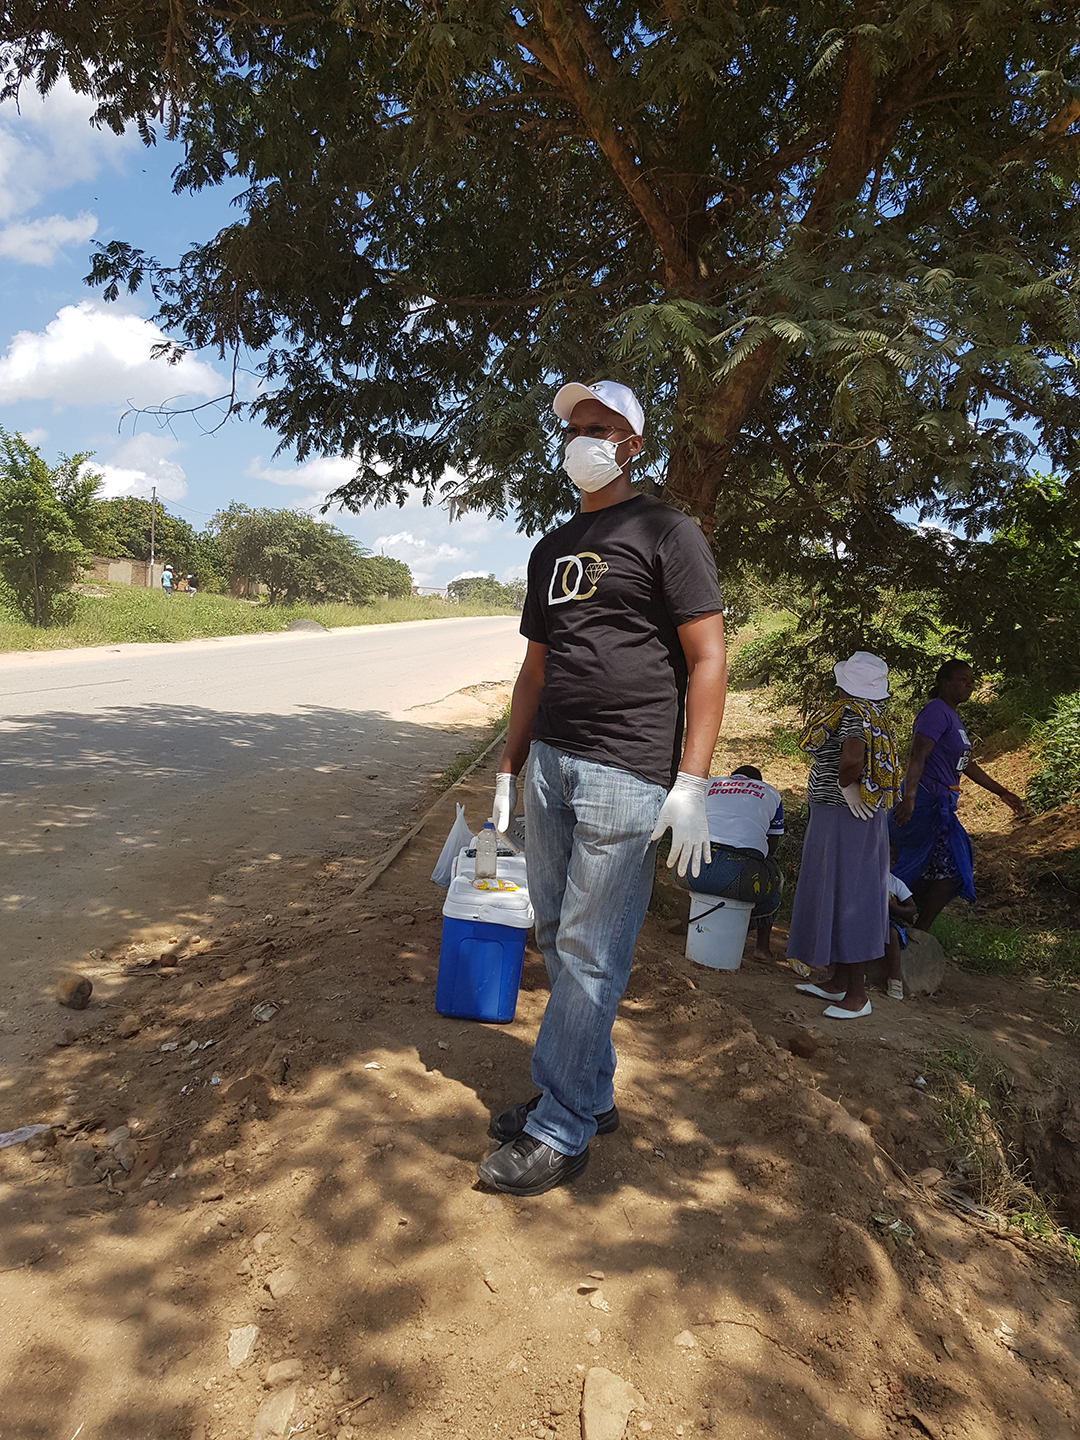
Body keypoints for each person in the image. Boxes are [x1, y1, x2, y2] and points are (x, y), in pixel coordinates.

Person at [481, 379, 727, 1196]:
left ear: (632, 445)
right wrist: (510, 765)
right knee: (556, 933)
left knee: (593, 951)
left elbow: (707, 659)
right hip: (552, 760)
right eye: (574, 427)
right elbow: (534, 670)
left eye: (600, 427)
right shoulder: (551, 549)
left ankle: (562, 1126)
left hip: (627, 771)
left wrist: (691, 781)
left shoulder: (668, 531)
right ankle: (589, 1089)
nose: (581, 438)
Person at [786, 651, 900, 1019]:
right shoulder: (873, 715)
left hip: (845, 816)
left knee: (850, 894)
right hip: (851, 816)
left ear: (844, 685)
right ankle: (837, 982)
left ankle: (857, 995)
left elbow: (852, 756)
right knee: (839, 890)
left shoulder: (852, 715)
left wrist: (844, 783)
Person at [891, 659, 1027, 930]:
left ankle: (910, 925)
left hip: (940, 803)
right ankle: (905, 922)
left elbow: (964, 764)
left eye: (972, 681)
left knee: (941, 865)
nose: (970, 685)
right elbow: (918, 755)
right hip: (925, 801)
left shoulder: (953, 718)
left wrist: (1002, 792)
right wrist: (909, 797)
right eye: (963, 679)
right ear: (943, 682)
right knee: (947, 863)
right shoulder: (935, 711)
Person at [688, 764, 784, 962]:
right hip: (739, 877)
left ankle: (695, 923)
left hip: (691, 872)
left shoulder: (710, 785)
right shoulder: (771, 794)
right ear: (759, 782)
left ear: (732, 777)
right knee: (775, 877)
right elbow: (771, 847)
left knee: (712, 877)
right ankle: (762, 948)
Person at [885, 863, 918, 1000]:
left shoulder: (895, 883)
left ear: (893, 863)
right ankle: (857, 975)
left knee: (892, 934)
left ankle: (895, 980)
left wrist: (895, 908)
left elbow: (912, 909)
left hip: (889, 921)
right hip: (867, 920)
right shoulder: (864, 877)